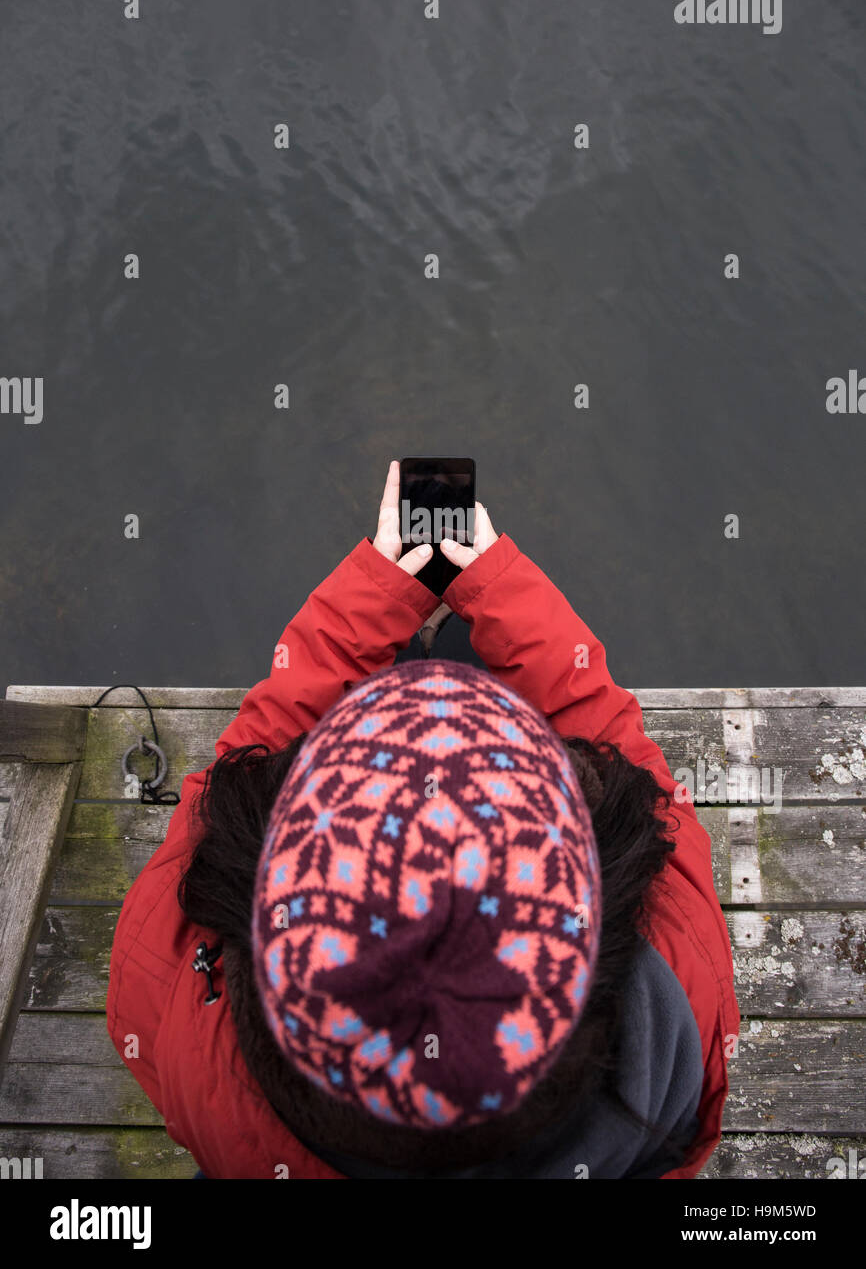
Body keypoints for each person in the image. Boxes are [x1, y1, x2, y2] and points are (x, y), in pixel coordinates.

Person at [107, 462, 738, 1179]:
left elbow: (241, 771)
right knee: (470, 664)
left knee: (401, 672)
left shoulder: (185, 1009)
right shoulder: (674, 995)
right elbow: (633, 769)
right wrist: (494, 583)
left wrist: (378, 591)